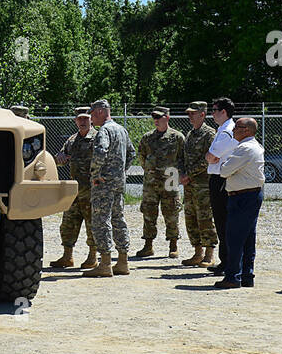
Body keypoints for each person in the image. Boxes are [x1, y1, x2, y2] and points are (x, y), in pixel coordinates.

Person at [83, 99, 136, 278]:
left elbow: (100, 152)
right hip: (118, 183)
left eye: (92, 114)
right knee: (118, 218)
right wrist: (120, 171)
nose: (91, 119)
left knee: (101, 220)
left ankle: (105, 263)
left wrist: (95, 174)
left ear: (100, 112)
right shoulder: (121, 130)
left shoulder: (104, 131)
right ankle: (123, 261)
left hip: (103, 184)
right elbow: (131, 153)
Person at [213, 118, 264, 288]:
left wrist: (225, 165)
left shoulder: (245, 148)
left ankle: (232, 277)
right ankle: (246, 276)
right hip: (250, 195)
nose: (234, 130)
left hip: (242, 197)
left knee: (234, 237)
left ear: (247, 130)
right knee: (248, 238)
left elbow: (224, 170)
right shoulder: (253, 146)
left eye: (237, 127)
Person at [136, 106, 186, 258]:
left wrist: (180, 174)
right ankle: (148, 245)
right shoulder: (147, 137)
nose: (156, 120)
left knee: (171, 212)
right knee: (148, 213)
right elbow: (141, 156)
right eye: (154, 118)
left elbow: (183, 158)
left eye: (159, 117)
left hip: (170, 181)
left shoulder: (177, 137)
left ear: (167, 118)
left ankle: (173, 245)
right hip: (151, 181)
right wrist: (150, 170)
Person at [51, 107, 97, 268]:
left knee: (92, 224)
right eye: (79, 119)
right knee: (68, 224)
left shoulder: (98, 138)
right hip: (74, 191)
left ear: (91, 120)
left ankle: (92, 257)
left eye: (85, 118)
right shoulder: (71, 140)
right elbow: (59, 159)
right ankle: (67, 256)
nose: (82, 122)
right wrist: (59, 158)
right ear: (75, 121)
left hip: (92, 190)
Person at [179, 101, 217, 267]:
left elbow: (208, 159)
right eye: (188, 113)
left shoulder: (209, 134)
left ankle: (209, 254)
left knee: (205, 218)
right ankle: (197, 252)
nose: (190, 116)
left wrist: (189, 174)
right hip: (189, 185)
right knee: (191, 218)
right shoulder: (190, 134)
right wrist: (182, 174)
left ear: (202, 114)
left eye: (193, 113)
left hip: (203, 185)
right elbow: (183, 157)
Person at [204, 98, 238, 274]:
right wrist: (211, 156)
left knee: (223, 221)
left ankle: (227, 263)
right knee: (221, 221)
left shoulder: (227, 132)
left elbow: (210, 156)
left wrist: (211, 156)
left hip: (221, 179)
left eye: (215, 110)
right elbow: (211, 156)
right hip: (218, 178)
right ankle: (225, 261)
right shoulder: (222, 130)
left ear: (224, 112)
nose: (212, 113)